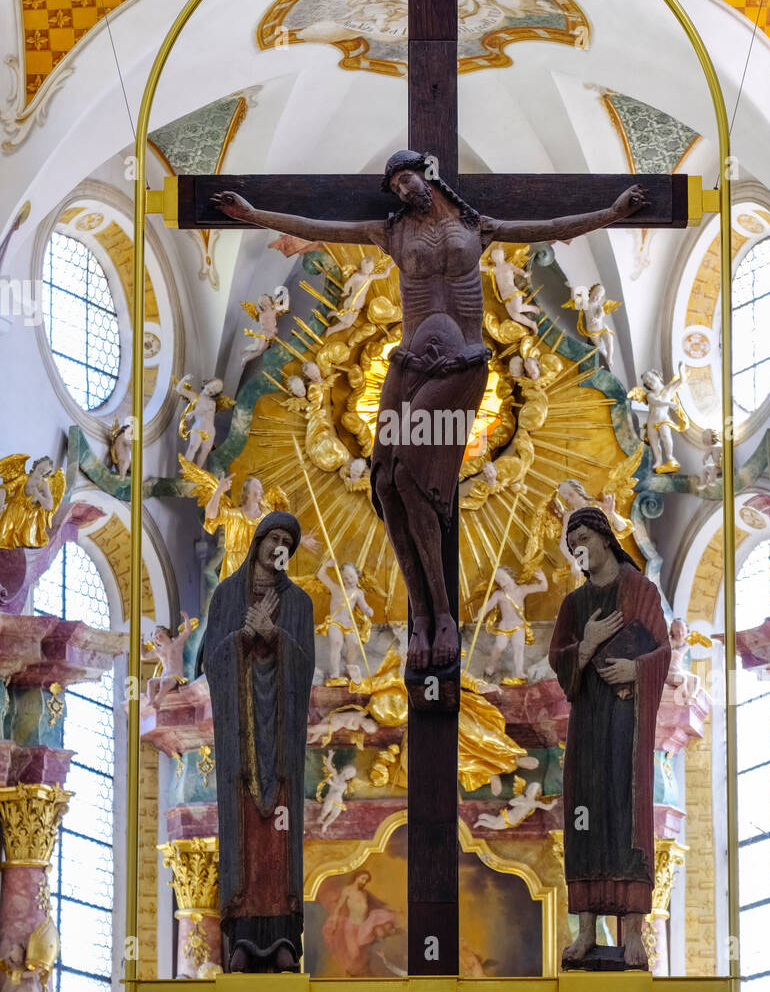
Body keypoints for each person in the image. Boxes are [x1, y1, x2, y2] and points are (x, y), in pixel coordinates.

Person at [213, 151, 646, 671]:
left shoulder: (476, 225)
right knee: (386, 481)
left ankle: (441, 614)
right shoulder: (391, 234)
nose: (403, 189)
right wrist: (255, 215)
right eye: (394, 184)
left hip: (462, 365)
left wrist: (613, 213)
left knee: (414, 477)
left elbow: (551, 225)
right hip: (407, 364)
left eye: (406, 178)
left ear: (426, 173)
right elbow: (315, 225)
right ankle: (423, 612)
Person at [548, 506, 669, 969]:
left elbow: (662, 648)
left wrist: (636, 670)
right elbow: (560, 661)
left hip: (628, 722)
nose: (577, 547)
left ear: (603, 536)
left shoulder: (640, 592)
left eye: (582, 537)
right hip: (588, 723)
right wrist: (588, 643)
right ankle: (585, 931)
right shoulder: (574, 605)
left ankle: (634, 932)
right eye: (570, 541)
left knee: (627, 813)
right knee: (586, 814)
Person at [202, 512, 315, 974]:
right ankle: (243, 937)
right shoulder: (227, 595)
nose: (279, 547)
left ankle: (284, 937)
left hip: (281, 737)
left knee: (279, 834)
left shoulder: (301, 603)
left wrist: (276, 638)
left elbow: (305, 667)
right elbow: (210, 660)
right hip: (239, 733)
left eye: (288, 541)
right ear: (258, 541)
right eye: (274, 537)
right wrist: (242, 637)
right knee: (245, 829)